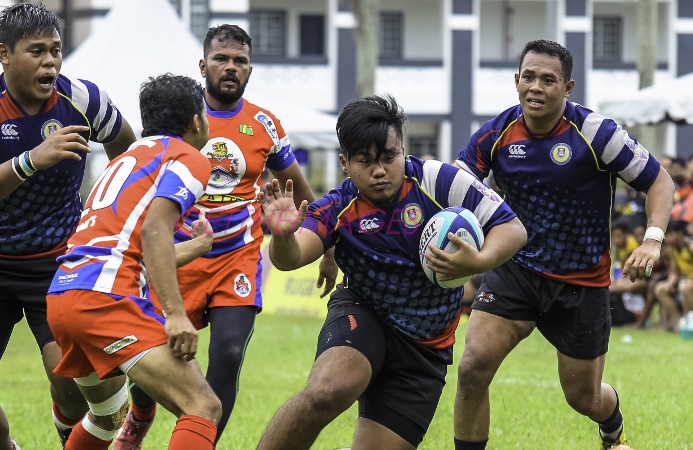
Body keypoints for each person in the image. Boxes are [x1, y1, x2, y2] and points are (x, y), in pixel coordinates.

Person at [255, 95, 526, 450]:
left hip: (425, 349)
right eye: (365, 161)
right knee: (329, 389)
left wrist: (478, 261)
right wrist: (283, 233)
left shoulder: (441, 182)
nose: (379, 170)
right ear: (345, 163)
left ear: (403, 149)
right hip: (366, 314)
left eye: (388, 157)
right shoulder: (338, 205)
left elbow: (512, 228)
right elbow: (290, 259)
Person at [117, 24, 338, 448]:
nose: (230, 67)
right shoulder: (181, 117)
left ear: (250, 69)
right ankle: (140, 415)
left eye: (240, 61)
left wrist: (328, 251)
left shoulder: (265, 125)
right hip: (179, 253)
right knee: (156, 351)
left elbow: (305, 198)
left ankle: (204, 442)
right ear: (203, 65)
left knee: (230, 352)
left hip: (237, 255)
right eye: (221, 59)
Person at [452, 39, 675, 450]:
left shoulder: (596, 133)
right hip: (515, 272)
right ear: (516, 80)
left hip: (581, 283)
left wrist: (652, 240)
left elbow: (659, 181)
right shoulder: (497, 132)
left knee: (583, 398)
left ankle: (612, 430)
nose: (536, 87)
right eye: (529, 77)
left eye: (548, 80)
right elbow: (454, 184)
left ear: (568, 87)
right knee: (472, 367)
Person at [0, 4, 136, 449]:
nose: (50, 61)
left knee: (71, 386)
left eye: (56, 51)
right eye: (37, 51)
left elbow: (130, 153)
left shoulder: (83, 100)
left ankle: (74, 430)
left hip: (59, 262)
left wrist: (109, 215)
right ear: (4, 55)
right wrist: (31, 161)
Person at [46, 73, 221, 450]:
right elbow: (154, 231)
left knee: (108, 417)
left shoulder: (128, 158)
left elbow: (129, 247)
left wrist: (197, 246)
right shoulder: (188, 157)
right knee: (202, 405)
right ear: (196, 121)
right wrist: (175, 314)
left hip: (64, 294)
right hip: (103, 298)